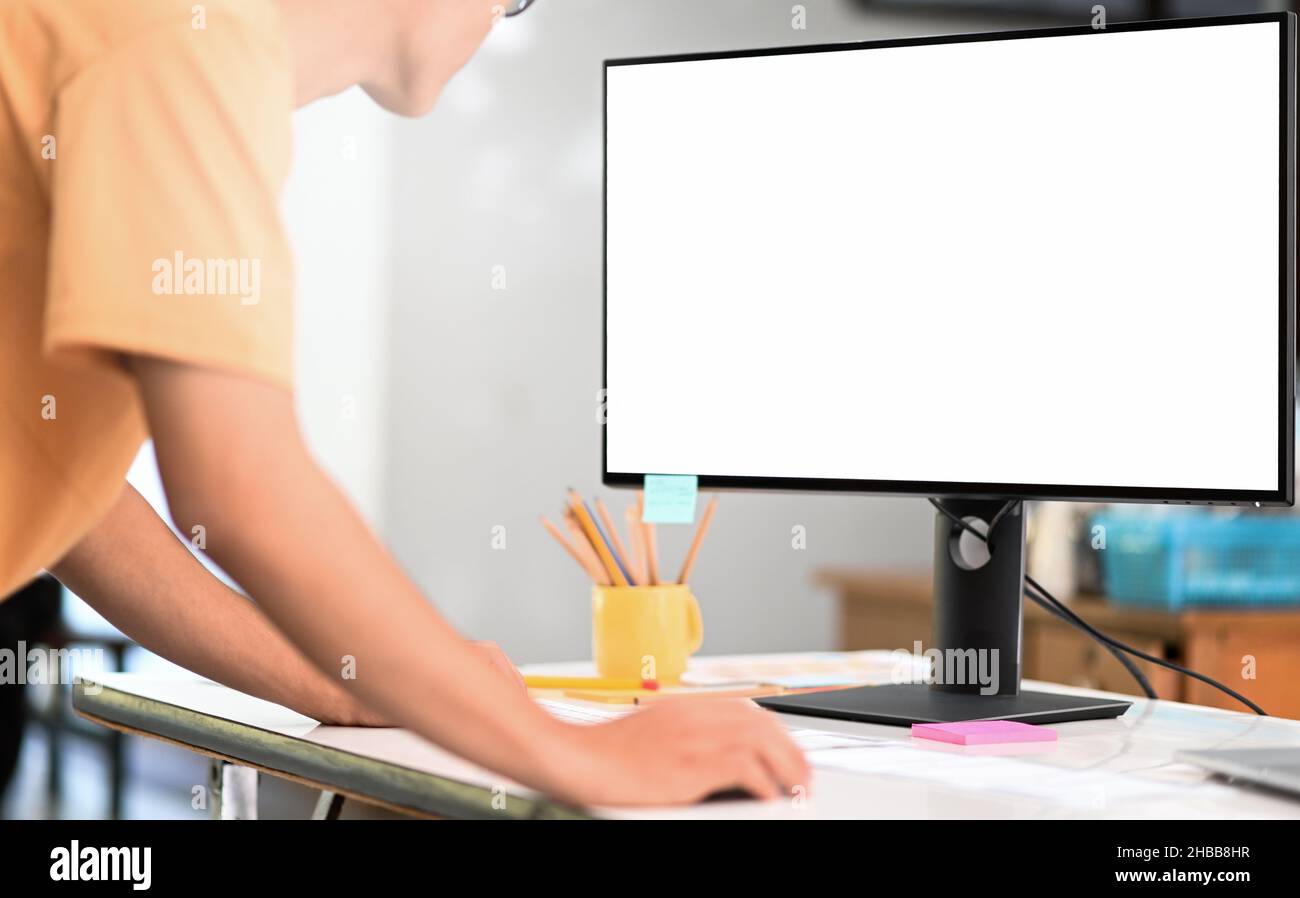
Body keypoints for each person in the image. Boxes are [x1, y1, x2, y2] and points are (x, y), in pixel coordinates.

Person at [0, 0, 810, 806]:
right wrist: (581, 759)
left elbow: (80, 512)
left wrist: (342, 677)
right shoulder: (180, 43)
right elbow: (241, 490)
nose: (503, 20)